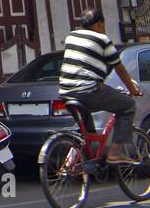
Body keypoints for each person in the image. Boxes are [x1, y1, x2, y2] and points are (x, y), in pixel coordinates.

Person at [58, 10, 143, 163]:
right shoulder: (103, 39)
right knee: (127, 106)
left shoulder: (71, 36)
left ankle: (69, 164)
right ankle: (115, 152)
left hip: (66, 92)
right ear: (99, 24)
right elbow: (119, 67)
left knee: (86, 134)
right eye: (103, 25)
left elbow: (83, 62)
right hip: (88, 91)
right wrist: (132, 89)